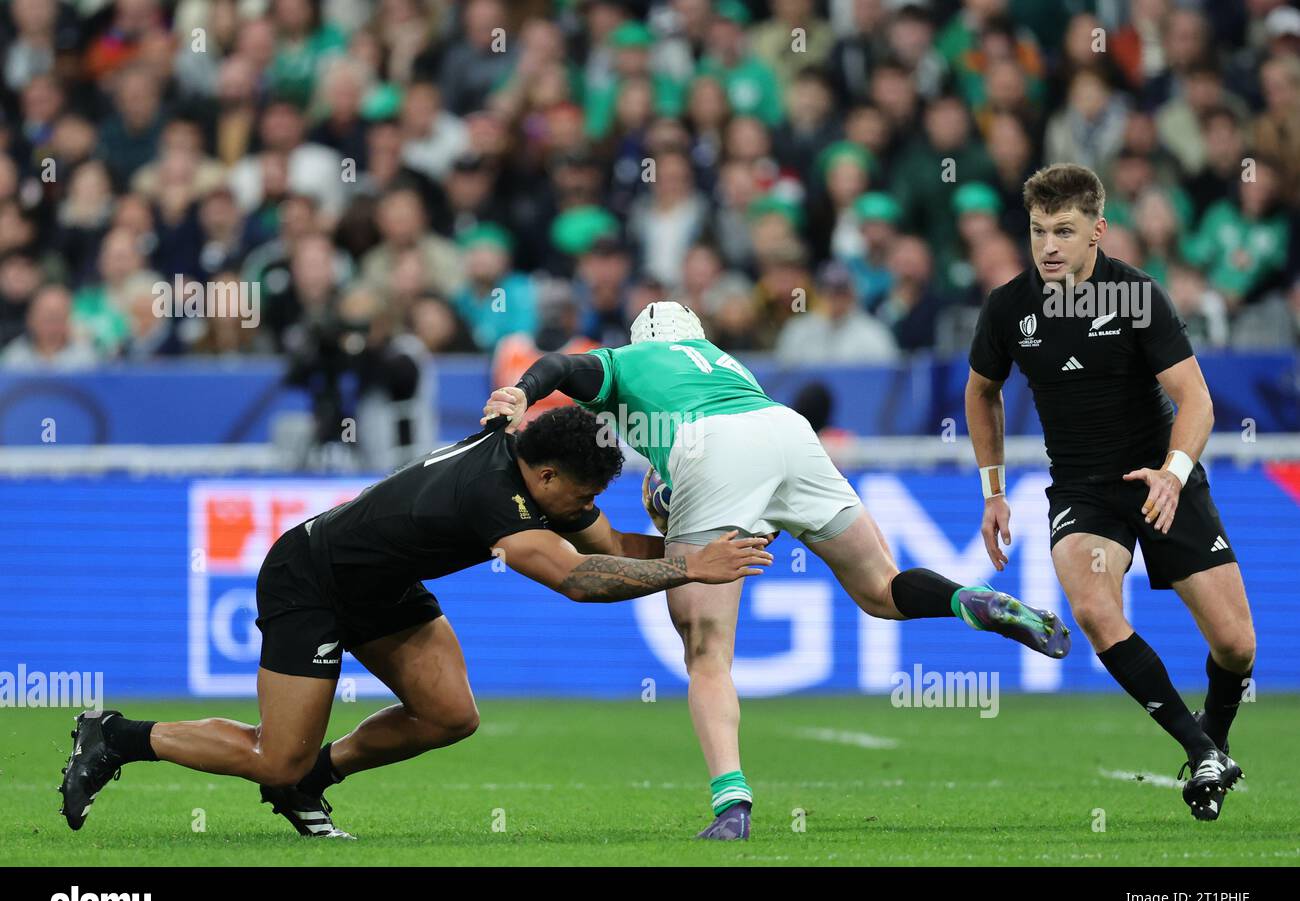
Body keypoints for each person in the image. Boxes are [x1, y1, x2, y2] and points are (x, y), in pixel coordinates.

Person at [481, 300, 1070, 841]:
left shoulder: (628, 359)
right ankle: (972, 599)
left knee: (706, 650)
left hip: (713, 447)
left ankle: (730, 803)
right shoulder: (721, 361)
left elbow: (561, 364)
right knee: (882, 589)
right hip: (788, 432)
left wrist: (520, 392)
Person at [59, 408, 773, 838]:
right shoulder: (496, 500)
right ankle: (117, 736)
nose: (588, 508)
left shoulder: (534, 464)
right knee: (272, 755)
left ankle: (313, 780)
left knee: (449, 713)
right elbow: (578, 580)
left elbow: (611, 550)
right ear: (548, 479)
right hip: (310, 576)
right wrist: (689, 568)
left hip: (381, 582)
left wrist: (696, 549)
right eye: (582, 495)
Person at [965, 163, 1254, 821]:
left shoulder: (1137, 296)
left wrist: (1174, 474)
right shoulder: (1009, 308)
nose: (1049, 248)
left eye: (1064, 231)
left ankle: (1216, 740)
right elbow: (980, 393)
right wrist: (994, 491)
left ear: (1098, 230)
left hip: (1161, 479)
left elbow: (1197, 401)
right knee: (1094, 610)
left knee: (1237, 647)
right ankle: (1198, 750)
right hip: (1084, 492)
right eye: (1038, 231)